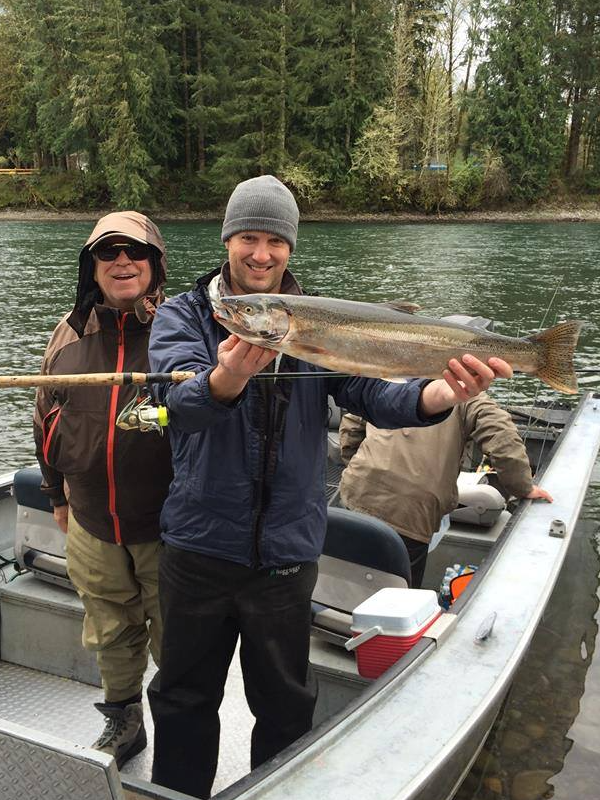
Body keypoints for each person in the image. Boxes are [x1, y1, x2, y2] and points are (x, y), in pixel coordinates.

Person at [146, 174, 513, 799]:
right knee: (183, 700)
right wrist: (226, 376)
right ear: (227, 239)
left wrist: (442, 393)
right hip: (199, 548)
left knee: (286, 707)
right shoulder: (184, 314)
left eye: (275, 242)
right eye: (248, 238)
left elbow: (376, 394)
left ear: (290, 247)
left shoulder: (315, 321)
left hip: (287, 555)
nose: (261, 254)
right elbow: (176, 404)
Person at [33, 211, 173, 768]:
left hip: (169, 523)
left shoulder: (179, 329)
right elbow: (44, 417)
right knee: (109, 630)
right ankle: (125, 721)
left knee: (177, 638)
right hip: (90, 520)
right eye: (108, 252)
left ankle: (183, 729)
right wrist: (57, 496)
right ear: (92, 265)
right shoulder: (66, 336)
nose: (122, 262)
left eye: (134, 252)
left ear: (154, 263)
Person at [339, 394, 553, 588]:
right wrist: (523, 487)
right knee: (399, 595)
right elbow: (501, 437)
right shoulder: (470, 395)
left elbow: (352, 422)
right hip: (413, 512)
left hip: (355, 493)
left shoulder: (389, 377)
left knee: (345, 576)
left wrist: (356, 466)